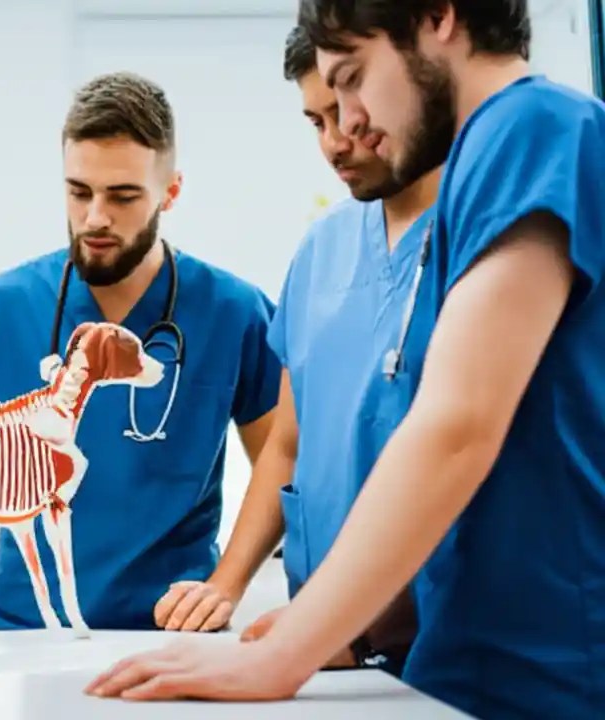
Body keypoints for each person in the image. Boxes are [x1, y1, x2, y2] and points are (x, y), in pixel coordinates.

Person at [85, 1, 605, 716]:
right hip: (449, 666)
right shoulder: (477, 170)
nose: (350, 122)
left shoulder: (536, 126)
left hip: (545, 678)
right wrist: (332, 627)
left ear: (438, 16)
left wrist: (281, 655)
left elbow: (457, 425)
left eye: (355, 77)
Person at [0, 71, 281, 632]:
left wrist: (226, 584)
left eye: (123, 196)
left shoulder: (233, 312)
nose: (95, 218)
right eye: (79, 191)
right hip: (25, 633)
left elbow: (282, 462)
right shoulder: (6, 304)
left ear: (171, 191)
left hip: (171, 633)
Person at [156, 26, 432, 676]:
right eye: (316, 120)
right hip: (326, 651)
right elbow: (288, 442)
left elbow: (468, 457)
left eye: (345, 112)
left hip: (430, 647)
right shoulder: (321, 251)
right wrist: (226, 583)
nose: (336, 140)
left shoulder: (473, 243)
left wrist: (355, 629)